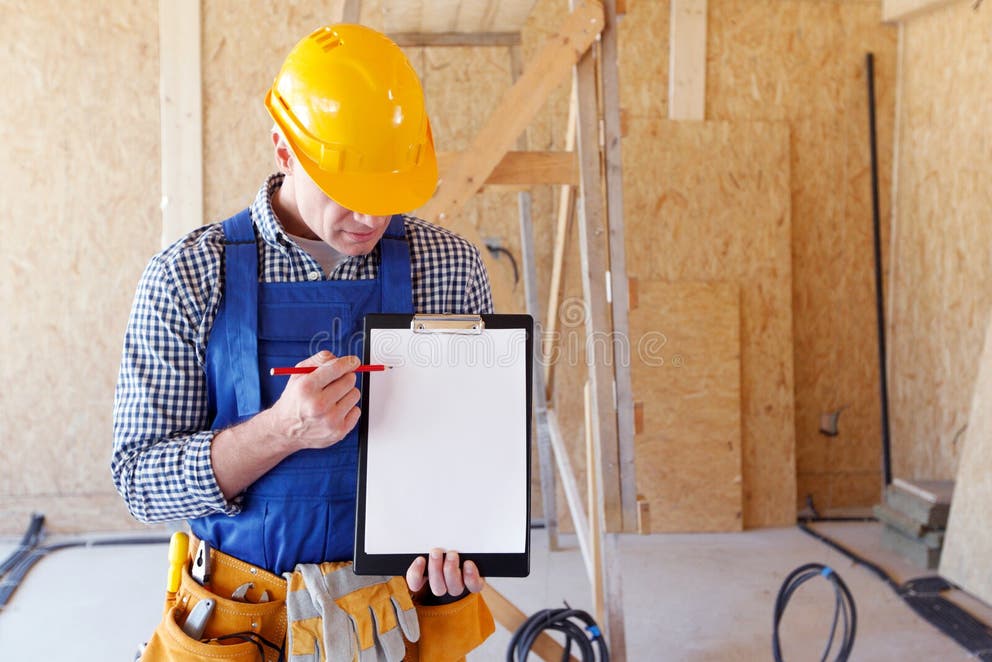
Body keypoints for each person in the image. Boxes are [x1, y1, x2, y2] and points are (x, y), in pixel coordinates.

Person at [113, 23, 494, 660]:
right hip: (238, 624)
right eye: (349, 192)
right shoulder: (187, 276)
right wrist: (281, 430)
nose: (372, 219)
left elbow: (474, 453)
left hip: (391, 621)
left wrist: (463, 543)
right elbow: (139, 483)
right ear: (283, 150)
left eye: (390, 191)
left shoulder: (448, 267)